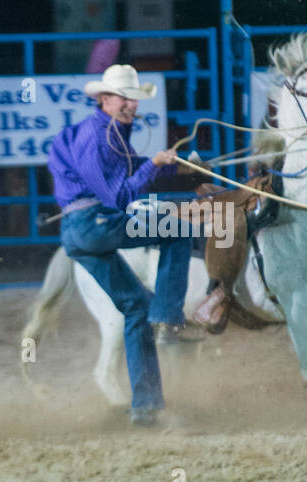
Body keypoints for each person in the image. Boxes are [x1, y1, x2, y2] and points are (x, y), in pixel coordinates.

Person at [47, 64, 204, 427]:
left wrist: (185, 170)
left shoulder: (108, 135)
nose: (131, 105)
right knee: (178, 229)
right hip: (95, 224)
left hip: (82, 232)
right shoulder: (100, 138)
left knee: (135, 308)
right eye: (124, 98)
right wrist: (154, 164)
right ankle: (167, 314)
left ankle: (145, 407)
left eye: (134, 99)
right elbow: (120, 195)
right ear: (104, 99)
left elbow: (134, 173)